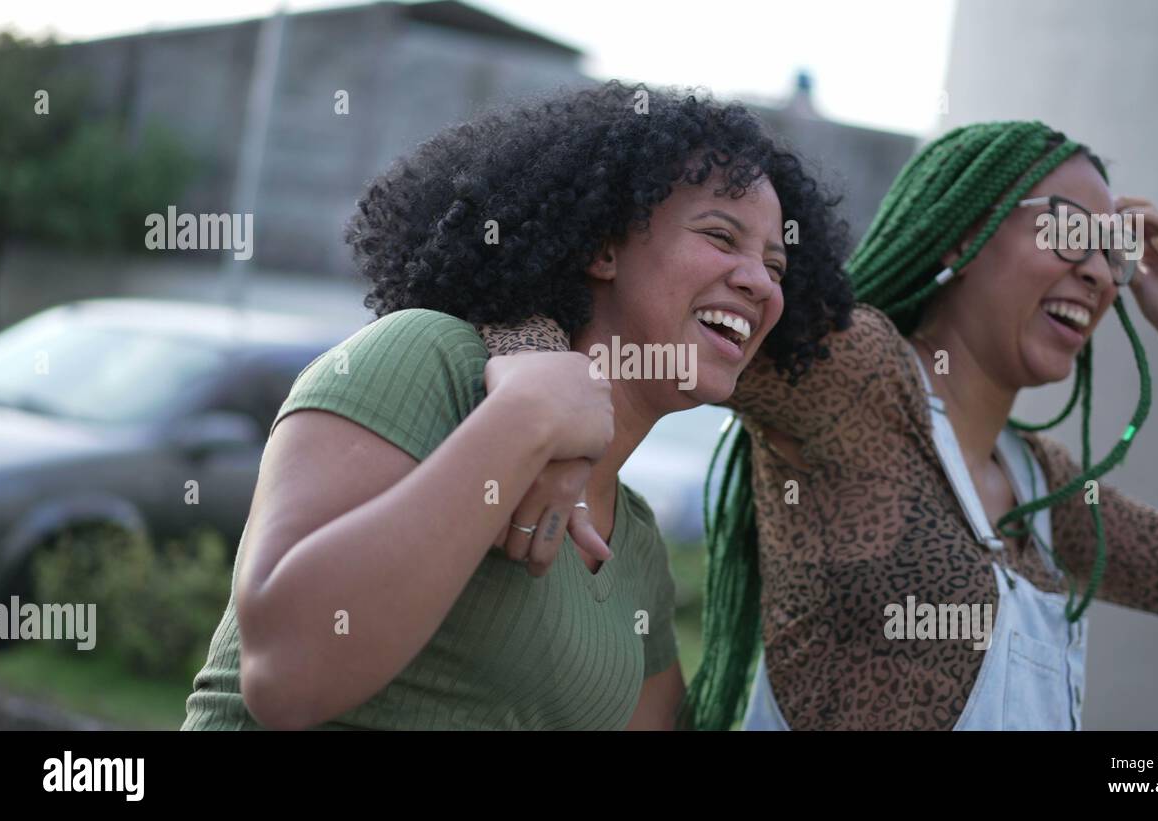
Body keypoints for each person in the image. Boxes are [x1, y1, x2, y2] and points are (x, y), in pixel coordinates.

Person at [485, 120, 1158, 731]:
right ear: (965, 232)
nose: (1096, 267)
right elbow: (584, 286)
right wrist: (539, 405)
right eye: (1069, 229)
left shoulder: (1040, 484)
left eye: (1113, 251)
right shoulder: (859, 372)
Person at [180, 81, 853, 730]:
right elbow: (286, 674)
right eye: (720, 236)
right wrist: (529, 416)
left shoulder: (636, 545)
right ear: (603, 246)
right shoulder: (427, 359)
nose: (760, 282)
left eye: (777, 266)